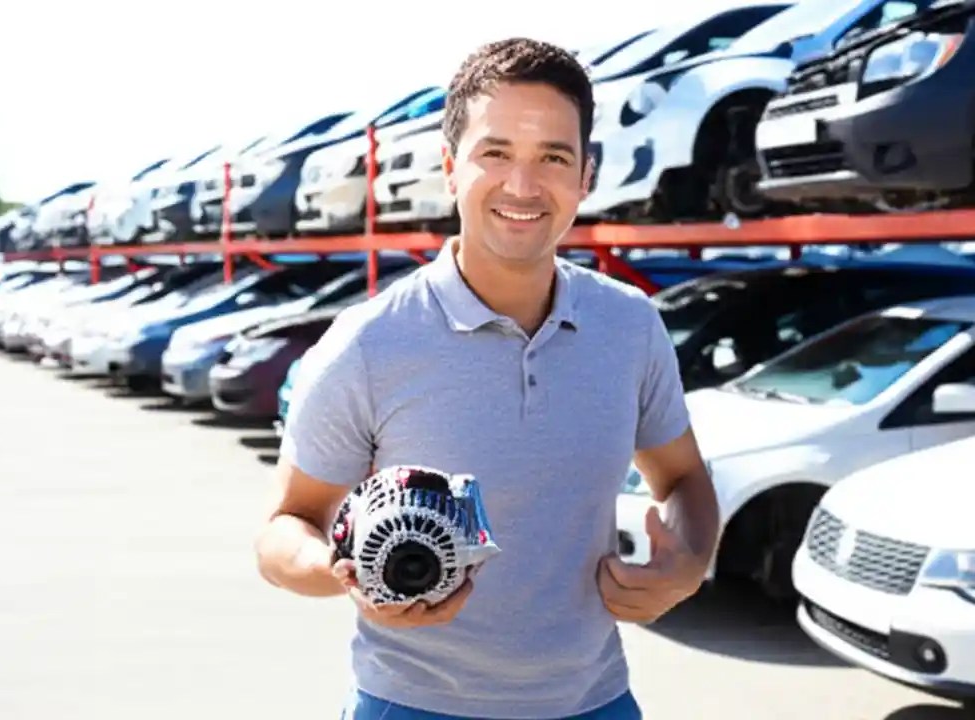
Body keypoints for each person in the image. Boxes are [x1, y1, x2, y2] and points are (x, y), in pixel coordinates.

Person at [254, 37, 720, 720]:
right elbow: (282, 530)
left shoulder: (630, 326)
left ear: (586, 174)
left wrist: (687, 562)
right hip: (412, 705)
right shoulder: (368, 344)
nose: (523, 187)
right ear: (450, 168)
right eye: (494, 153)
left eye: (553, 158)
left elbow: (684, 482)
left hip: (596, 702)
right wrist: (345, 573)